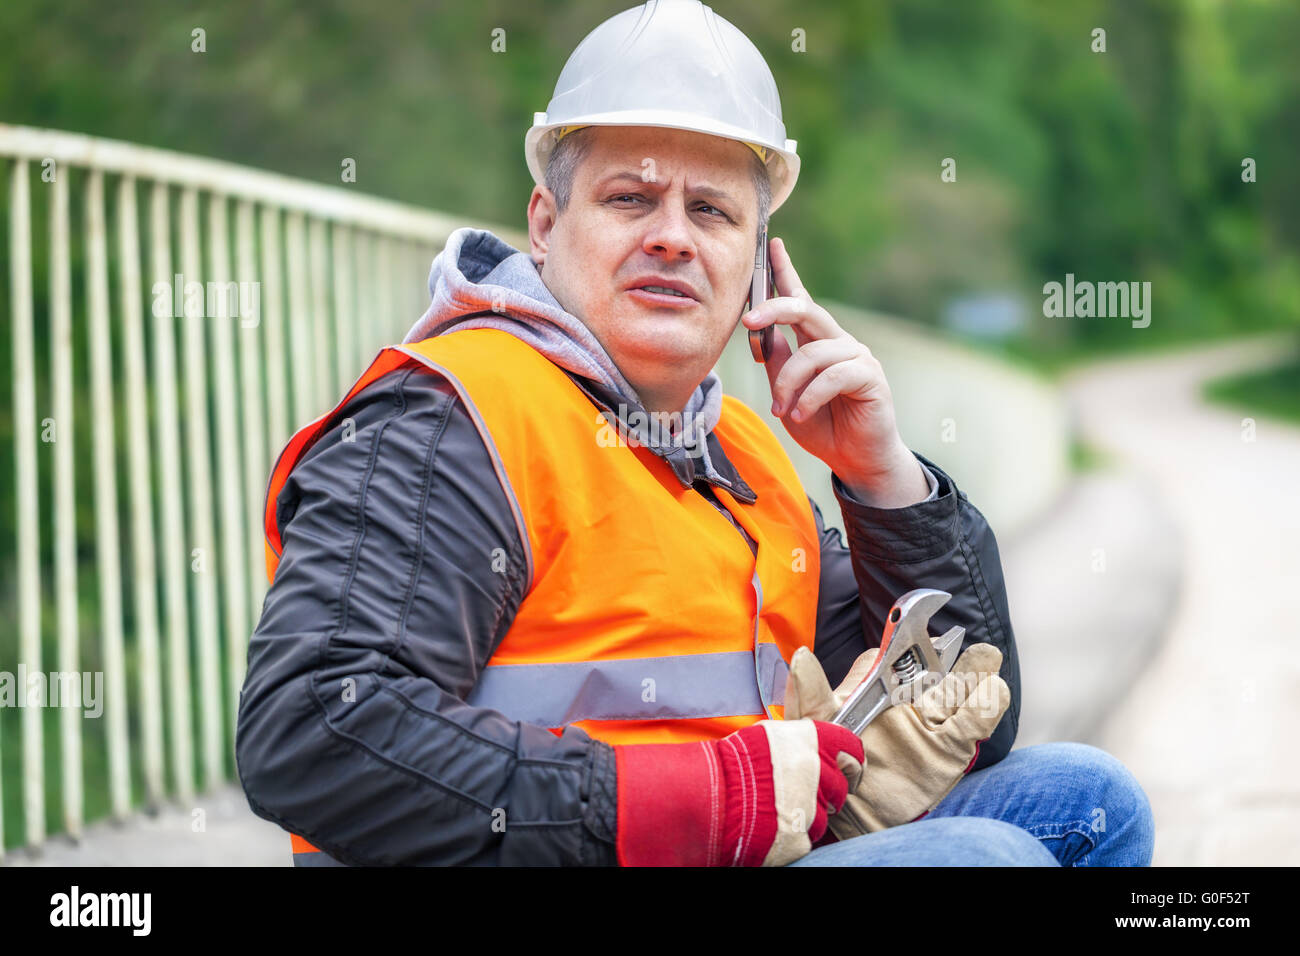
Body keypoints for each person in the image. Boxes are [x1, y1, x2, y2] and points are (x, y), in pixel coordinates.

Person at [236, 0, 1153, 867]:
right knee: (981, 860)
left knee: (1091, 800)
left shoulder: (738, 451)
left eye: (711, 211)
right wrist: (712, 799)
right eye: (631, 199)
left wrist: (885, 484)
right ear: (546, 226)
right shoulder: (454, 419)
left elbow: (980, 728)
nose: (673, 237)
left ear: (758, 263)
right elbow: (313, 730)